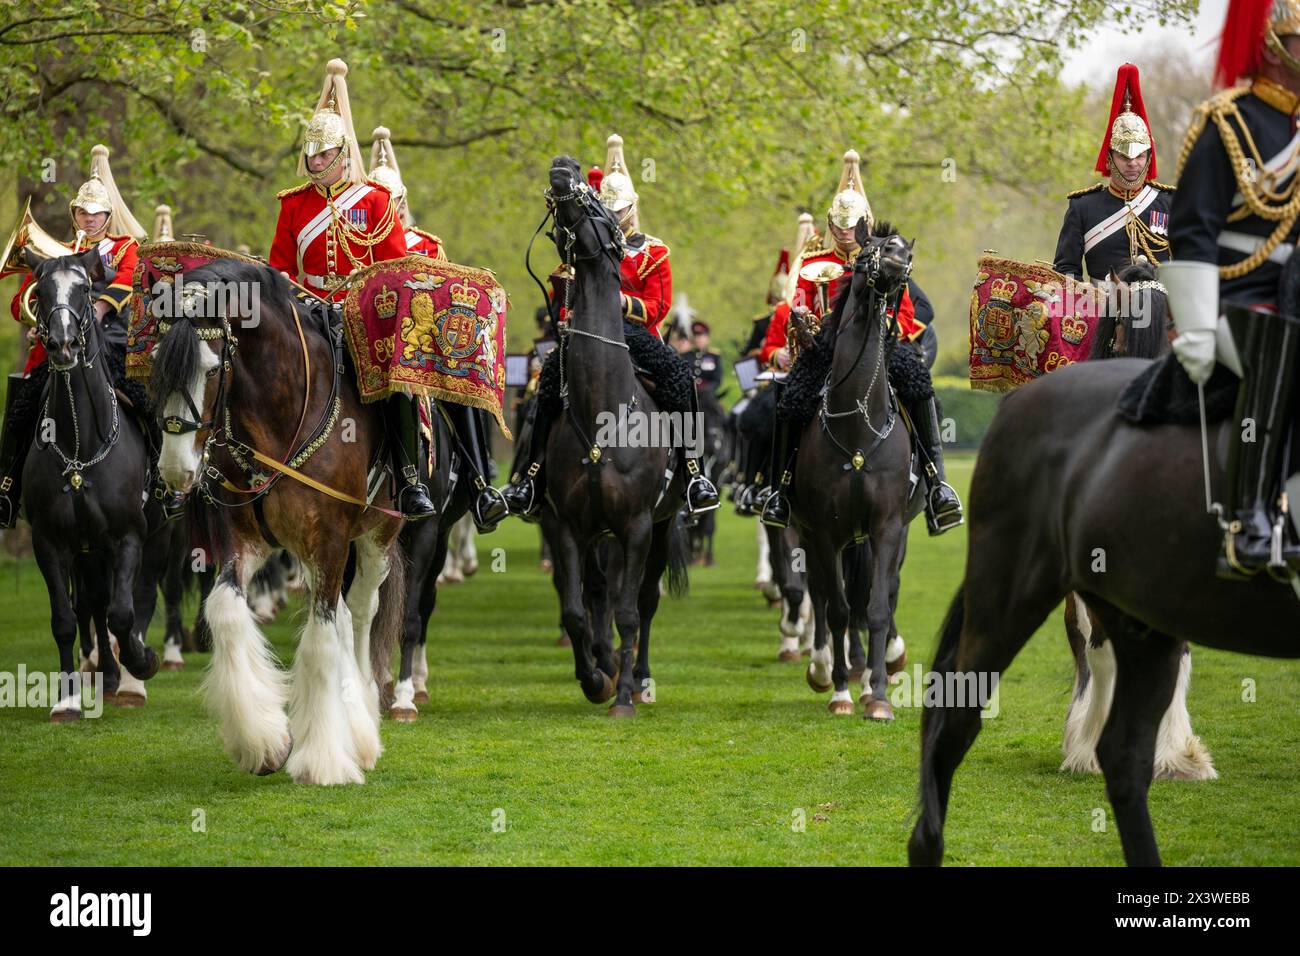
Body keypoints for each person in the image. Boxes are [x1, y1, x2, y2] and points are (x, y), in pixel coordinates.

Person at [500, 133, 720, 519]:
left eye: (622, 210)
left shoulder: (654, 250)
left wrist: (620, 303)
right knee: (545, 386)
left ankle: (692, 473)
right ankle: (529, 477)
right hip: (587, 333)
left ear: (633, 208)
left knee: (680, 380)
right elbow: (562, 301)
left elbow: (657, 307)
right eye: (611, 210)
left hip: (635, 334)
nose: (617, 216)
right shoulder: (585, 246)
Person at [1163, 0, 1300, 578]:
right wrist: (1195, 325)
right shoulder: (1227, 120)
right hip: (1240, 298)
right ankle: (1249, 521)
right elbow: (1192, 230)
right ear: (1273, 44)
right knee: (1280, 350)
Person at [268, 59, 437, 521]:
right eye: (311, 156)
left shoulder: (374, 202)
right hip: (306, 311)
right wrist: (289, 292)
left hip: (362, 313)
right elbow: (280, 266)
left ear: (344, 153)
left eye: (324, 155)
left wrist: (365, 302)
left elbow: (396, 270)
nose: (316, 163)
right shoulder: (294, 204)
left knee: (397, 379)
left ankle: (408, 478)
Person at [758, 150, 961, 534]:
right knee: (789, 400)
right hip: (826, 350)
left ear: (864, 224)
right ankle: (780, 490)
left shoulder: (884, 254)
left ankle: (937, 485)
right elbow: (796, 304)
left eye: (851, 225)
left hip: (880, 347)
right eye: (838, 225)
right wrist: (803, 325)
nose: (844, 232)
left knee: (920, 387)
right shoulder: (812, 260)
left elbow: (914, 306)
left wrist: (886, 325)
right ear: (831, 225)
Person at [366, 126, 507, 530]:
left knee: (465, 392)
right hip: (372, 346)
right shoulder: (355, 242)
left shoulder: (425, 244)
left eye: (389, 203)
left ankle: (480, 485)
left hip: (422, 349)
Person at [1, 144, 147, 528]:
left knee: (148, 403)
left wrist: (99, 309)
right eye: (83, 212)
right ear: (74, 214)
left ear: (107, 215)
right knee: (21, 409)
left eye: (96, 213)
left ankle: (161, 487)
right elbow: (21, 300)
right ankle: (7, 488)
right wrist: (36, 318)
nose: (89, 218)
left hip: (111, 341)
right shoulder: (57, 253)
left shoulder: (123, 248)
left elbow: (131, 280)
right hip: (59, 346)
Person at [1054, 63, 1174, 283]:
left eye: (1139, 156)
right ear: (1109, 158)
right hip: (1102, 309)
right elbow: (1066, 269)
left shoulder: (1169, 203)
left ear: (1148, 156)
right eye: (1124, 157)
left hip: (1159, 309)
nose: (1133, 164)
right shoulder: (1083, 207)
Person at [690, 320, 723, 394]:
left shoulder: (714, 357)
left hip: (707, 395)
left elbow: (716, 380)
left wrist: (705, 391)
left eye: (701, 336)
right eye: (696, 336)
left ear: (707, 338)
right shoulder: (685, 355)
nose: (698, 339)